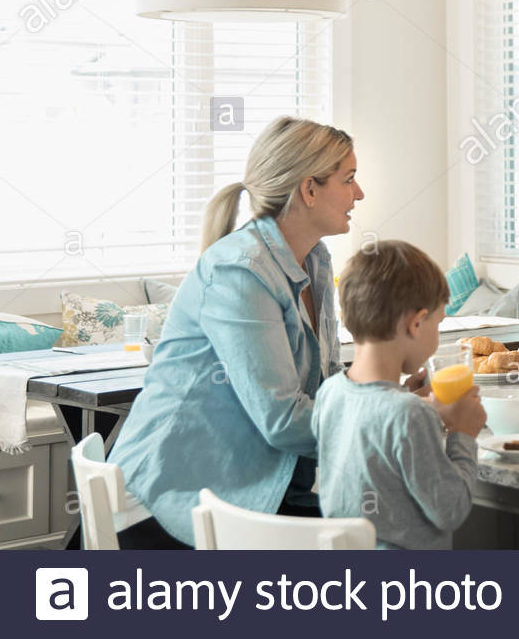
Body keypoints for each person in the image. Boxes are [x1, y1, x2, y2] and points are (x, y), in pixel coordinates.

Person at [110, 116, 364, 547]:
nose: (359, 193)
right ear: (309, 189)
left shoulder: (316, 261)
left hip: (249, 492)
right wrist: (384, 427)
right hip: (172, 503)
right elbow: (283, 421)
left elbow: (326, 385)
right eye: (350, 179)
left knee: (381, 527)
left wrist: (386, 397)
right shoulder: (241, 271)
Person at [314, 241, 486, 550]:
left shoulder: (331, 393)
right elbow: (451, 510)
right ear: (416, 323)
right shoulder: (408, 414)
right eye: (439, 323)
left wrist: (406, 397)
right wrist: (464, 433)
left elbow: (376, 431)